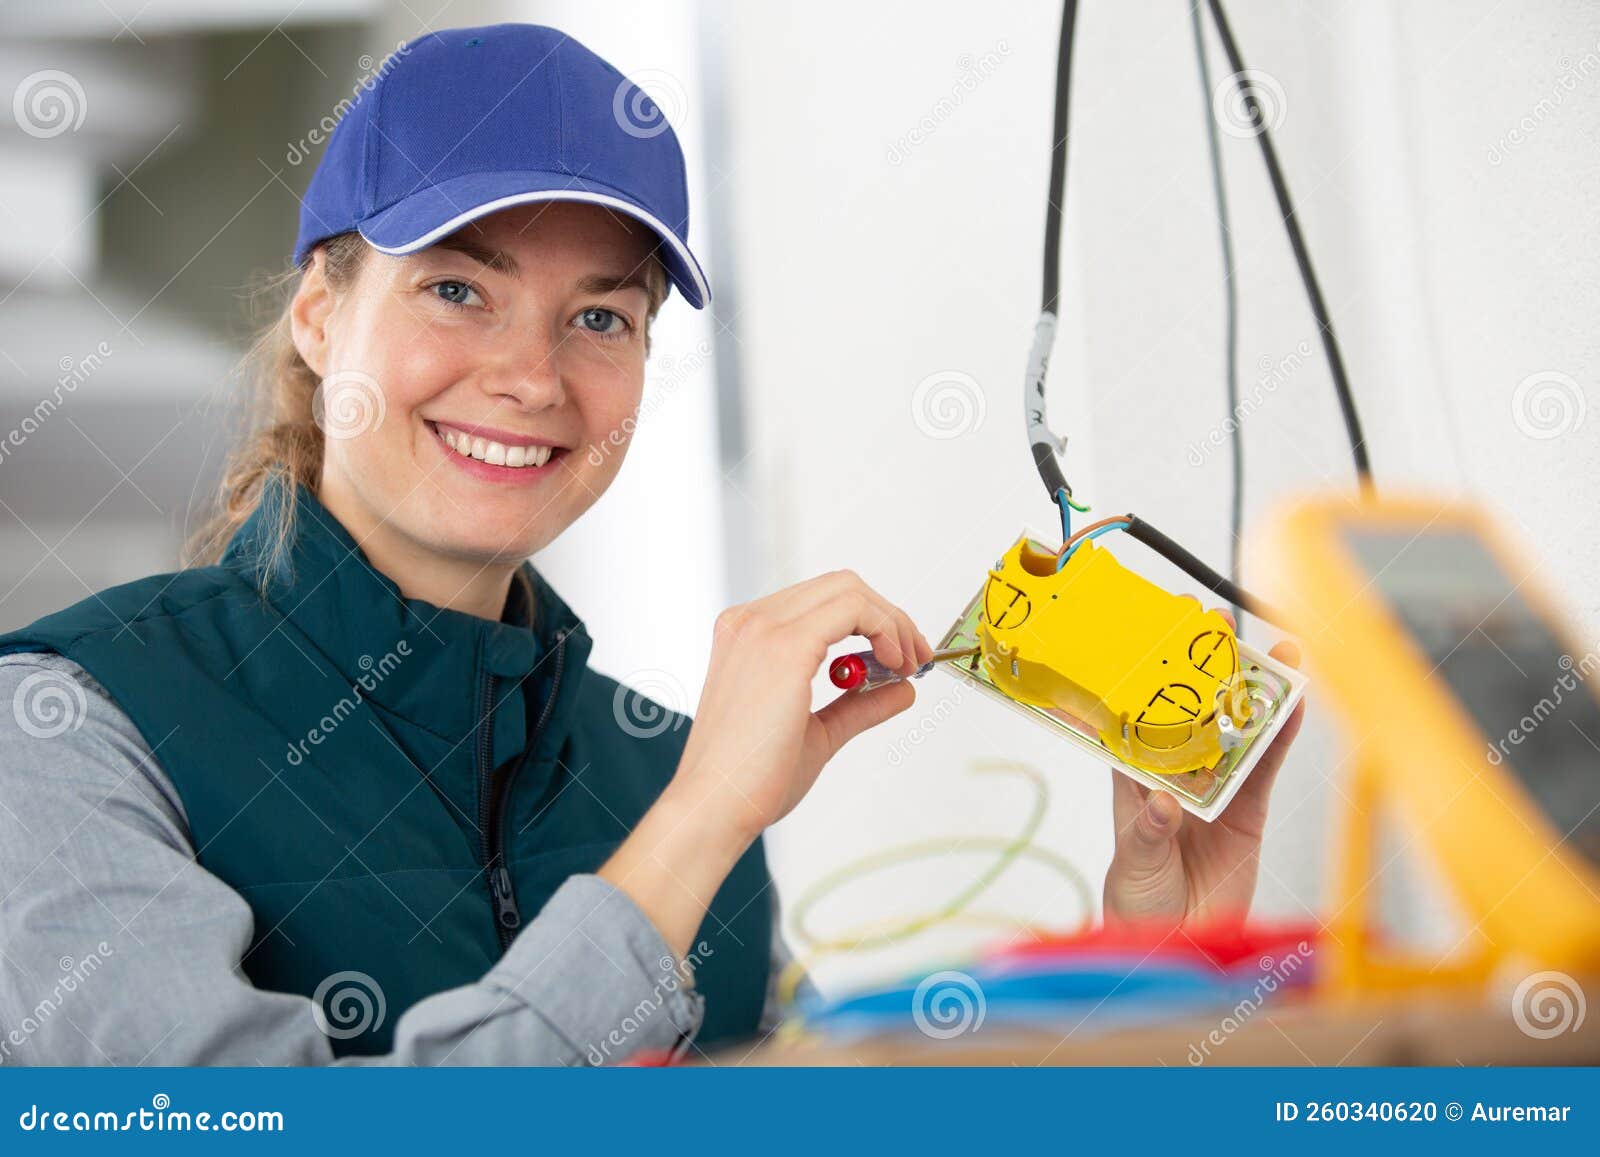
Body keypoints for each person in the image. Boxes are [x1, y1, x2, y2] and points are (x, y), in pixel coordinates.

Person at [0, 22, 1302, 1067]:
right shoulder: (61, 724)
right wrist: (696, 823)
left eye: (602, 318)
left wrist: (1160, 954)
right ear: (321, 314)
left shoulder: (663, 767)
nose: (530, 376)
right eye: (458, 288)